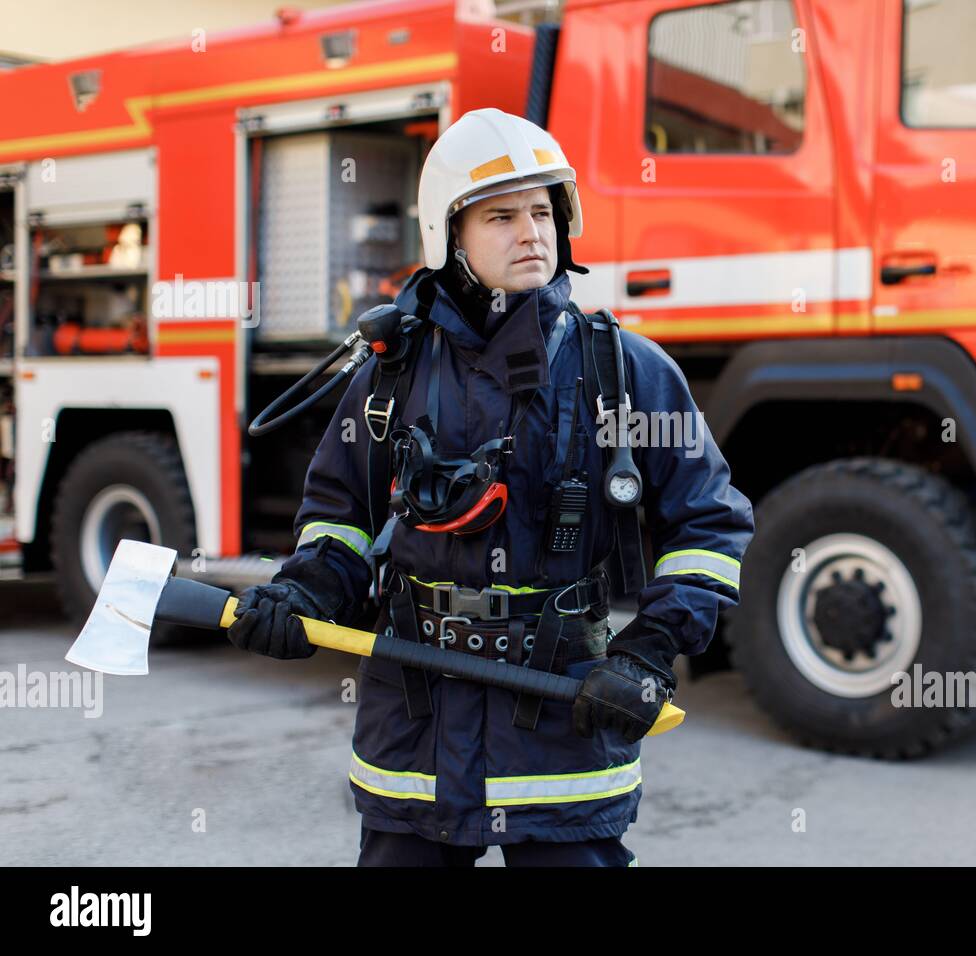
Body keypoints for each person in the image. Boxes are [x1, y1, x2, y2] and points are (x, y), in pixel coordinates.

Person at [228, 108, 754, 866]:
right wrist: (303, 592)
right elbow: (338, 519)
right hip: (415, 717)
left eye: (543, 212)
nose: (532, 233)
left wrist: (650, 651)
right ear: (449, 237)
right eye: (502, 216)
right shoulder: (390, 374)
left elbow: (709, 526)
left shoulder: (625, 370)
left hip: (563, 715)